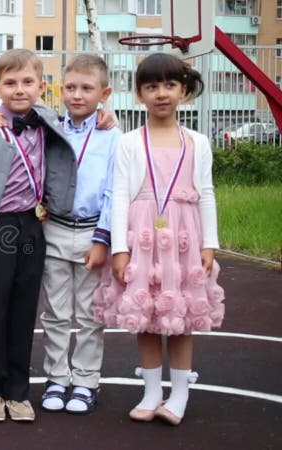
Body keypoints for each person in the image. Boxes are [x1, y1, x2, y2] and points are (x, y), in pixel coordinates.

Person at [92, 53, 224, 426]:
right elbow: (119, 195)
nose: (161, 94)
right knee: (147, 316)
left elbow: (207, 193)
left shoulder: (197, 141)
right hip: (142, 235)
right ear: (139, 95)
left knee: (180, 318)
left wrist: (208, 243)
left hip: (185, 236)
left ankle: (179, 394)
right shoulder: (130, 142)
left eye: (169, 85)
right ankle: (151, 392)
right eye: (151, 86)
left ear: (183, 90)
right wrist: (120, 248)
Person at [0, 49, 78, 422]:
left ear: (42, 86)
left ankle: (18, 392)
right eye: (10, 83)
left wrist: (109, 115)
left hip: (33, 224)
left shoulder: (51, 122)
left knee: (25, 311)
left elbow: (88, 118)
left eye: (28, 82)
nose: (20, 89)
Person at [38, 54, 122, 415]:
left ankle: (86, 380)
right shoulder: (51, 127)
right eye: (70, 87)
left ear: (104, 93)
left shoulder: (113, 136)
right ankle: (57, 377)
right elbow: (19, 103)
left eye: (87, 88)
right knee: (55, 312)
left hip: (91, 233)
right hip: (54, 228)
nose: (77, 95)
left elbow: (113, 192)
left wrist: (103, 239)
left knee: (89, 314)